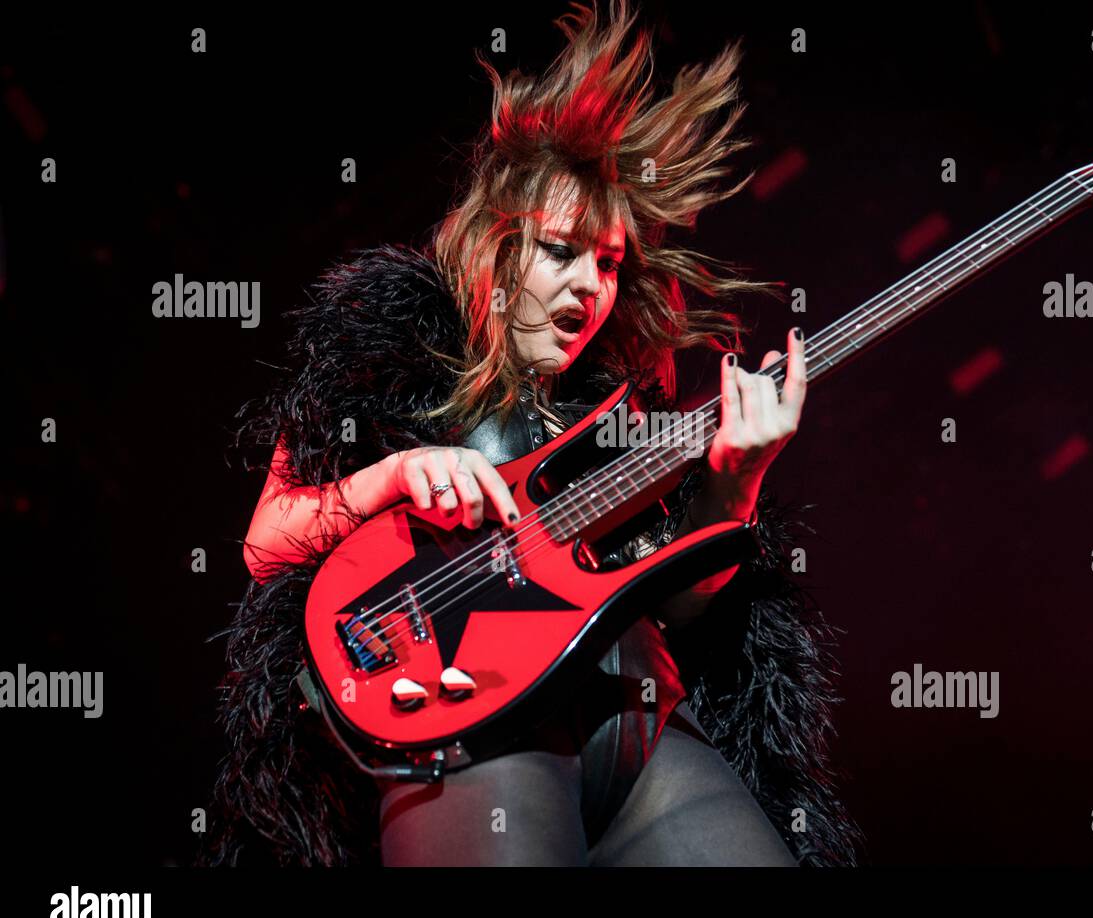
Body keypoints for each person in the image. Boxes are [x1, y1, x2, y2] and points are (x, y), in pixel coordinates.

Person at [199, 0, 862, 866]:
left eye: (612, 262)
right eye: (561, 250)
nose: (592, 285)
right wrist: (397, 475)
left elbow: (678, 601)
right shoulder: (386, 355)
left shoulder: (622, 416)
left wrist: (737, 481)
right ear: (494, 242)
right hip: (475, 737)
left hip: (648, 726)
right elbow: (266, 541)